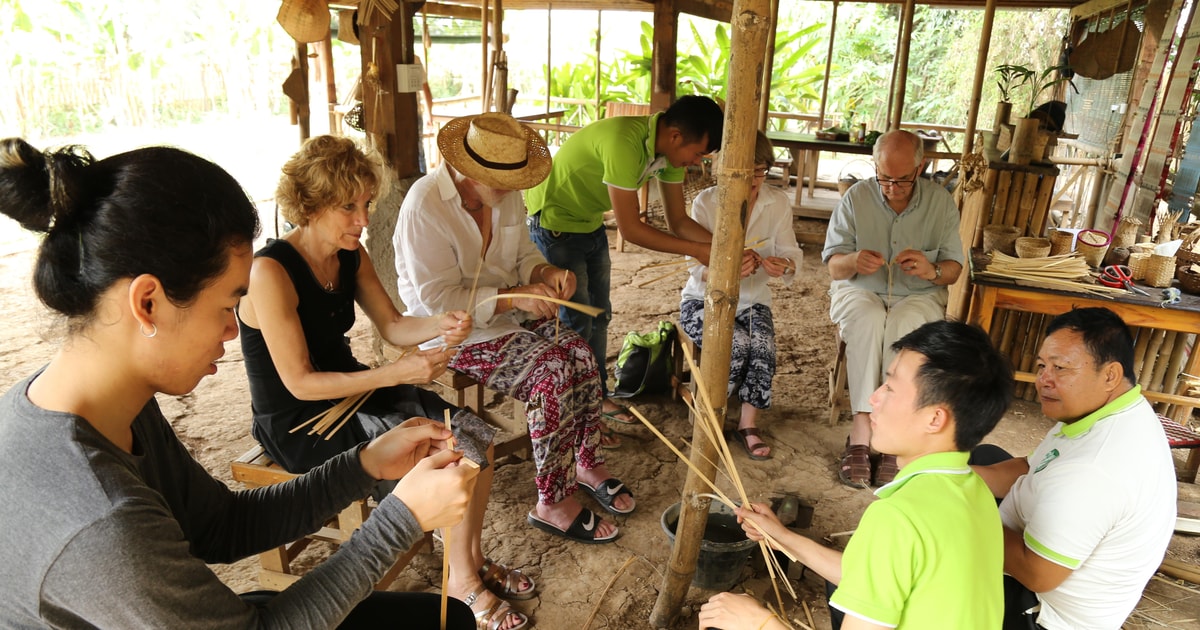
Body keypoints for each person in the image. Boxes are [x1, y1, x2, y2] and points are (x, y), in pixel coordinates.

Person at [0, 138, 478, 628]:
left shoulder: (116, 406)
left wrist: (365, 464)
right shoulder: (98, 523)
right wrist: (402, 518)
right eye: (229, 305)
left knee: (448, 621)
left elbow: (222, 527)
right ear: (148, 303)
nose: (235, 330)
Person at [238, 135, 528, 630]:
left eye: (366, 204)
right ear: (310, 205)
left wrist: (442, 322)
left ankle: (470, 563)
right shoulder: (271, 271)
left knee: (474, 436)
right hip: (304, 421)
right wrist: (398, 372)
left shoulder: (350, 255)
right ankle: (461, 581)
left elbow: (394, 326)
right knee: (445, 456)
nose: (364, 220)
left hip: (357, 390)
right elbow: (300, 383)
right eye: (348, 207)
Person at [393, 113, 633, 544]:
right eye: (497, 179)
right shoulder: (424, 206)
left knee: (580, 354)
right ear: (467, 168)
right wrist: (516, 295)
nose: (508, 188)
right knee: (552, 373)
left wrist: (547, 271)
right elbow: (438, 300)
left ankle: (585, 460)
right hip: (455, 332)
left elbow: (523, 254)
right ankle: (553, 501)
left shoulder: (504, 196)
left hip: (509, 320)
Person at [699, 320, 1012, 630]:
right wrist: (781, 537)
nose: (874, 398)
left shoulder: (897, 517)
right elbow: (871, 576)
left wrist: (759, 622)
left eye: (889, 386)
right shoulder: (977, 493)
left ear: (934, 419)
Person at [526, 95, 733, 426]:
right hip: (555, 224)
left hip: (588, 222)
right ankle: (579, 411)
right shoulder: (625, 141)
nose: (696, 162)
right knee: (577, 321)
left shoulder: (666, 153)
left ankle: (595, 397)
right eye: (697, 154)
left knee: (600, 315)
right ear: (676, 136)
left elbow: (678, 220)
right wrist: (697, 250)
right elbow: (631, 230)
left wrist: (725, 250)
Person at [971, 307, 1176, 630]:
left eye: (1061, 368)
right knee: (982, 458)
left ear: (1109, 375)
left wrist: (969, 512)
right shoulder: (1109, 411)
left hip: (1045, 614)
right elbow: (1034, 466)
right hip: (1050, 544)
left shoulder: (1097, 469)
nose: (1043, 380)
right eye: (1042, 366)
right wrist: (961, 480)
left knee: (941, 548)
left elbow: (1038, 574)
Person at [822, 129, 964, 488]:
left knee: (906, 326)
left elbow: (953, 270)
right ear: (875, 166)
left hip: (917, 295)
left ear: (921, 167)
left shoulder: (940, 202)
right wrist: (853, 260)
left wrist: (930, 269)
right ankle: (860, 430)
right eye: (884, 178)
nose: (891, 188)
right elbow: (834, 267)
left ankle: (892, 440)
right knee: (868, 319)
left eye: (902, 180)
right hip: (860, 290)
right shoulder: (856, 197)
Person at [678, 131, 803, 460]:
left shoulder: (777, 203)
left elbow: (792, 255)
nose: (752, 180)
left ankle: (748, 423)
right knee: (736, 344)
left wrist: (784, 265)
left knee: (762, 343)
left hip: (754, 300)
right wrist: (724, 270)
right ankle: (711, 416)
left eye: (759, 171)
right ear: (723, 170)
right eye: (741, 173)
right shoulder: (706, 202)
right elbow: (694, 264)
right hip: (702, 300)